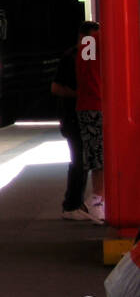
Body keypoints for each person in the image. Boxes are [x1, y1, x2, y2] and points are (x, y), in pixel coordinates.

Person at [52, 22, 92, 219]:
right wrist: (80, 94)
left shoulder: (86, 56)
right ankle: (71, 205)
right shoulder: (70, 58)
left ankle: (76, 203)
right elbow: (56, 88)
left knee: (82, 160)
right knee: (79, 160)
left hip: (81, 116)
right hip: (72, 117)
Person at [75, 21, 103, 223]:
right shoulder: (94, 42)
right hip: (97, 105)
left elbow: (85, 76)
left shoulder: (86, 44)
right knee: (100, 155)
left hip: (89, 105)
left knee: (96, 155)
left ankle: (97, 200)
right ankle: (95, 201)